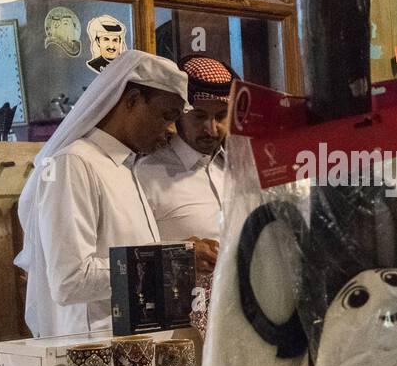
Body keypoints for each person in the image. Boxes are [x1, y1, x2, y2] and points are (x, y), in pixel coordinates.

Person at [15, 49, 188, 338]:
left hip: (132, 353)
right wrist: (169, 262)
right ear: (131, 101)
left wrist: (174, 255)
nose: (172, 129)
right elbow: (70, 280)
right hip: (94, 355)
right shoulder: (74, 163)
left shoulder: (123, 166)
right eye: (166, 116)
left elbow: (125, 255)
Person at [138, 54, 236, 273]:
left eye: (220, 116)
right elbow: (130, 256)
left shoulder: (239, 170)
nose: (212, 129)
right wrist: (180, 256)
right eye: (199, 116)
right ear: (179, 114)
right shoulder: (145, 174)